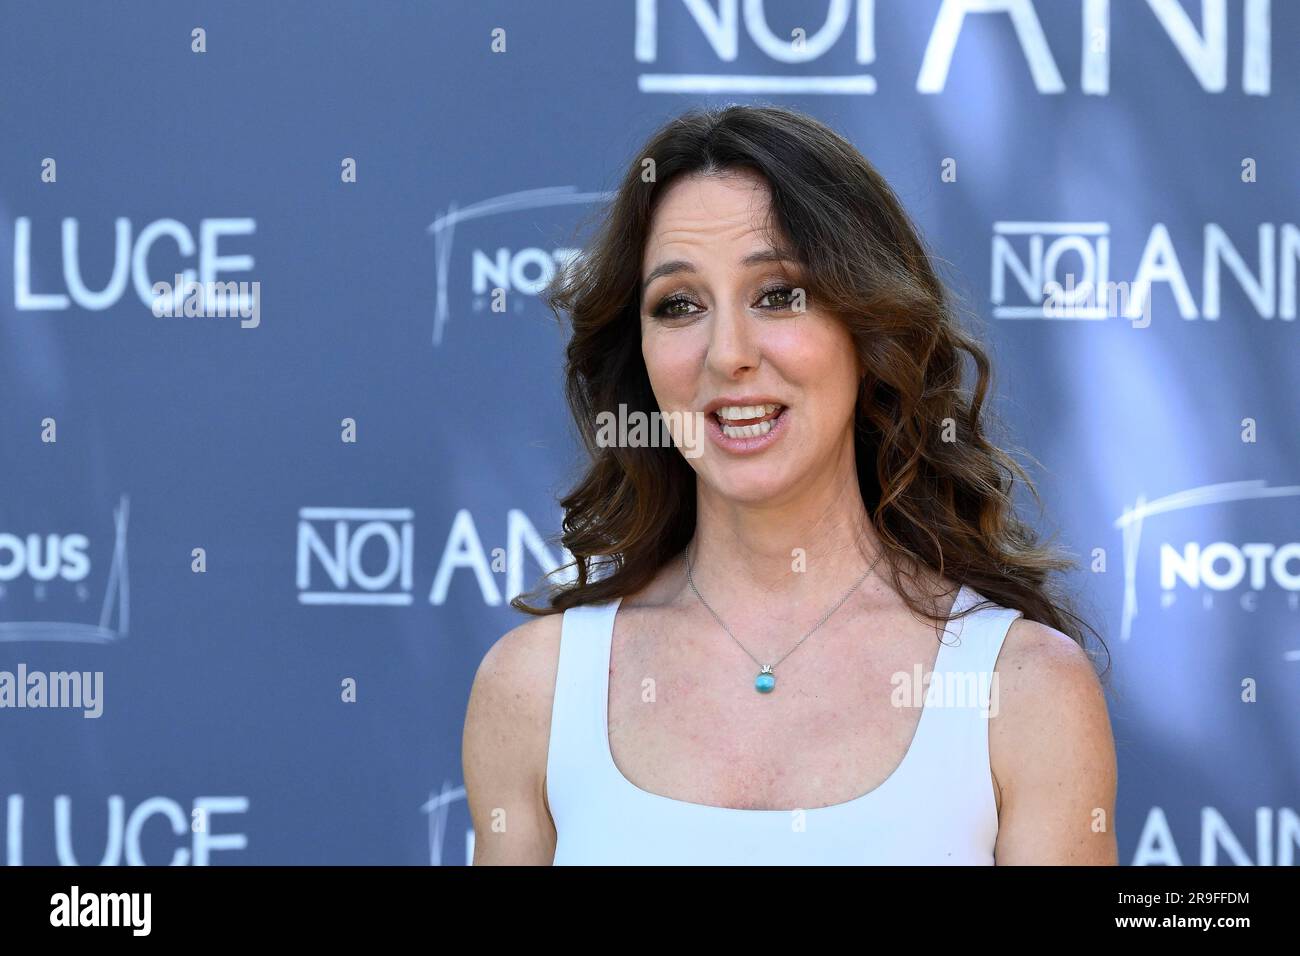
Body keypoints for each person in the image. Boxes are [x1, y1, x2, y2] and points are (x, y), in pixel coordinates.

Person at [462, 104, 1117, 865]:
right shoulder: (533, 690)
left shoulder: (1025, 690)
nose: (727, 354)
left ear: (867, 328)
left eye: (778, 295)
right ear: (637, 354)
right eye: (678, 305)